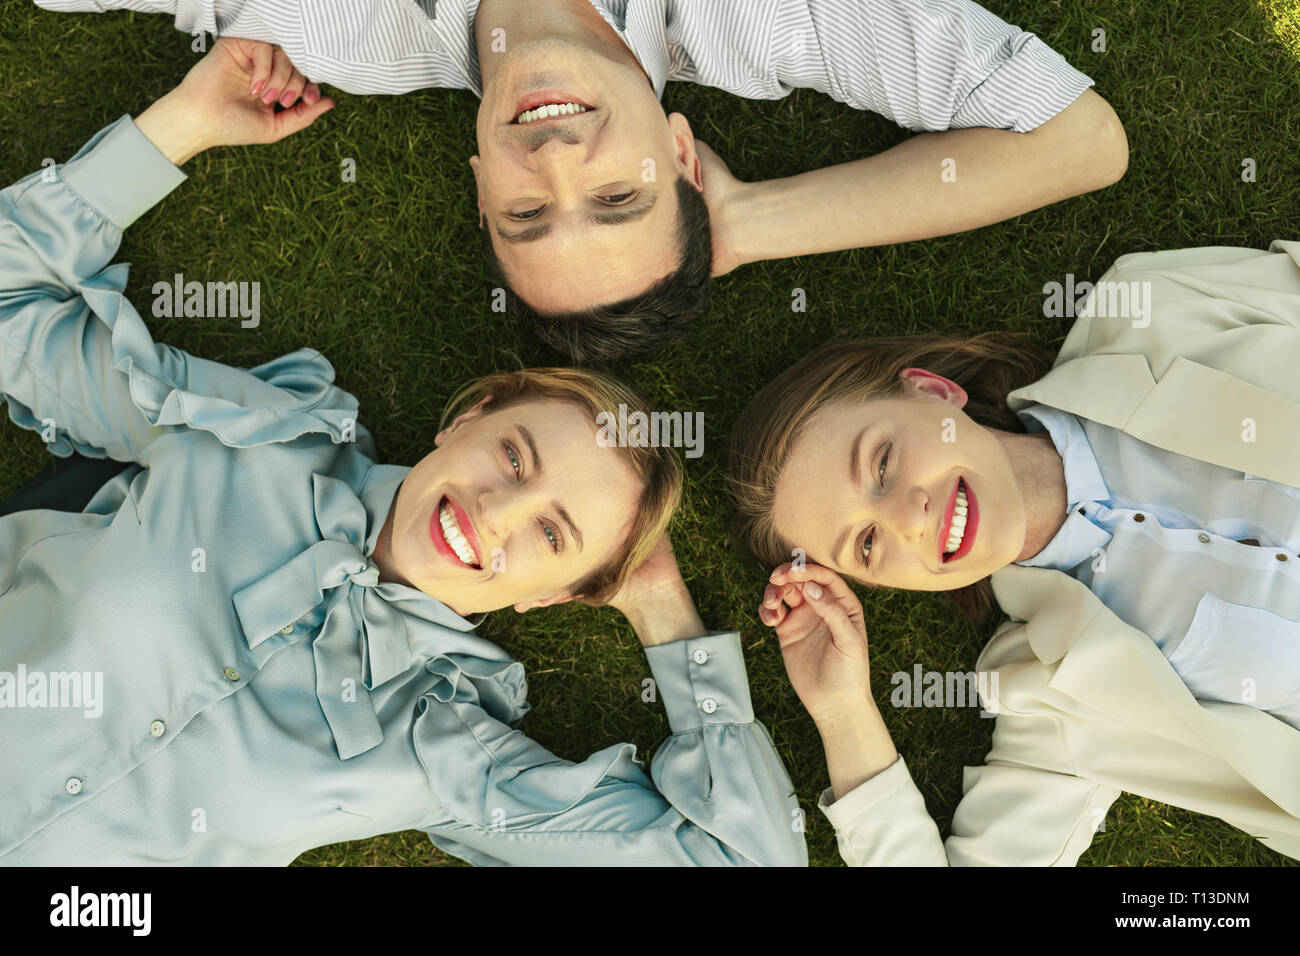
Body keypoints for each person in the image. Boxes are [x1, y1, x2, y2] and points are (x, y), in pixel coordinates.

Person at [0, 38, 807, 867]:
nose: (496, 511)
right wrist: (185, 121)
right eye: (516, 459)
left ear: (556, 597)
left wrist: (666, 617)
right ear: (468, 419)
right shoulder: (254, 439)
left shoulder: (439, 753)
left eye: (554, 535)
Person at [34, 0, 1129, 362]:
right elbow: (1078, 141)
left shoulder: (330, 31)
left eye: (524, 213)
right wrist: (737, 226)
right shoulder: (773, 23)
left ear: (475, 187)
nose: (555, 163)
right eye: (619, 197)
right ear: (684, 156)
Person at [727, 243, 1300, 865]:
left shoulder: (1149, 305)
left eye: (883, 462)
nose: (907, 518)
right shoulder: (1053, 694)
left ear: (932, 391)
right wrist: (843, 714)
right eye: (865, 544)